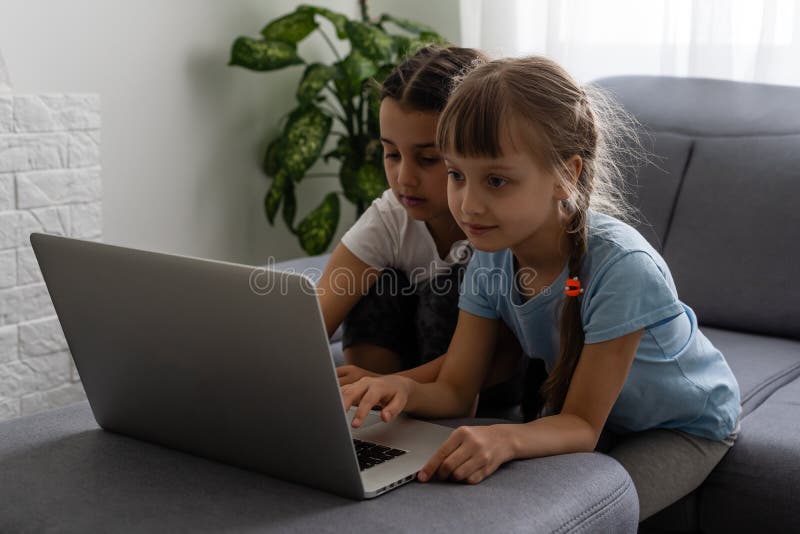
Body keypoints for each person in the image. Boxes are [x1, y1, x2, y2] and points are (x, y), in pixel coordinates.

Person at [341, 55, 741, 521]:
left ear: (566, 175)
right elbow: (456, 389)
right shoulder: (490, 257)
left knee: (586, 518)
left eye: (496, 180)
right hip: (602, 418)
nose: (468, 205)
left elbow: (581, 425)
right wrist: (400, 388)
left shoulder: (623, 269)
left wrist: (506, 437)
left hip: (683, 427)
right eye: (456, 175)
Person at [317, 46, 526, 413]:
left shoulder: (505, 225)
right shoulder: (390, 215)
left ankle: (388, 400)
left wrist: (394, 384)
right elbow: (313, 318)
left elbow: (502, 353)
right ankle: (371, 416)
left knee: (447, 290)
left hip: (485, 383)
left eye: (429, 159)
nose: (404, 178)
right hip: (401, 379)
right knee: (373, 282)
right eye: (391, 154)